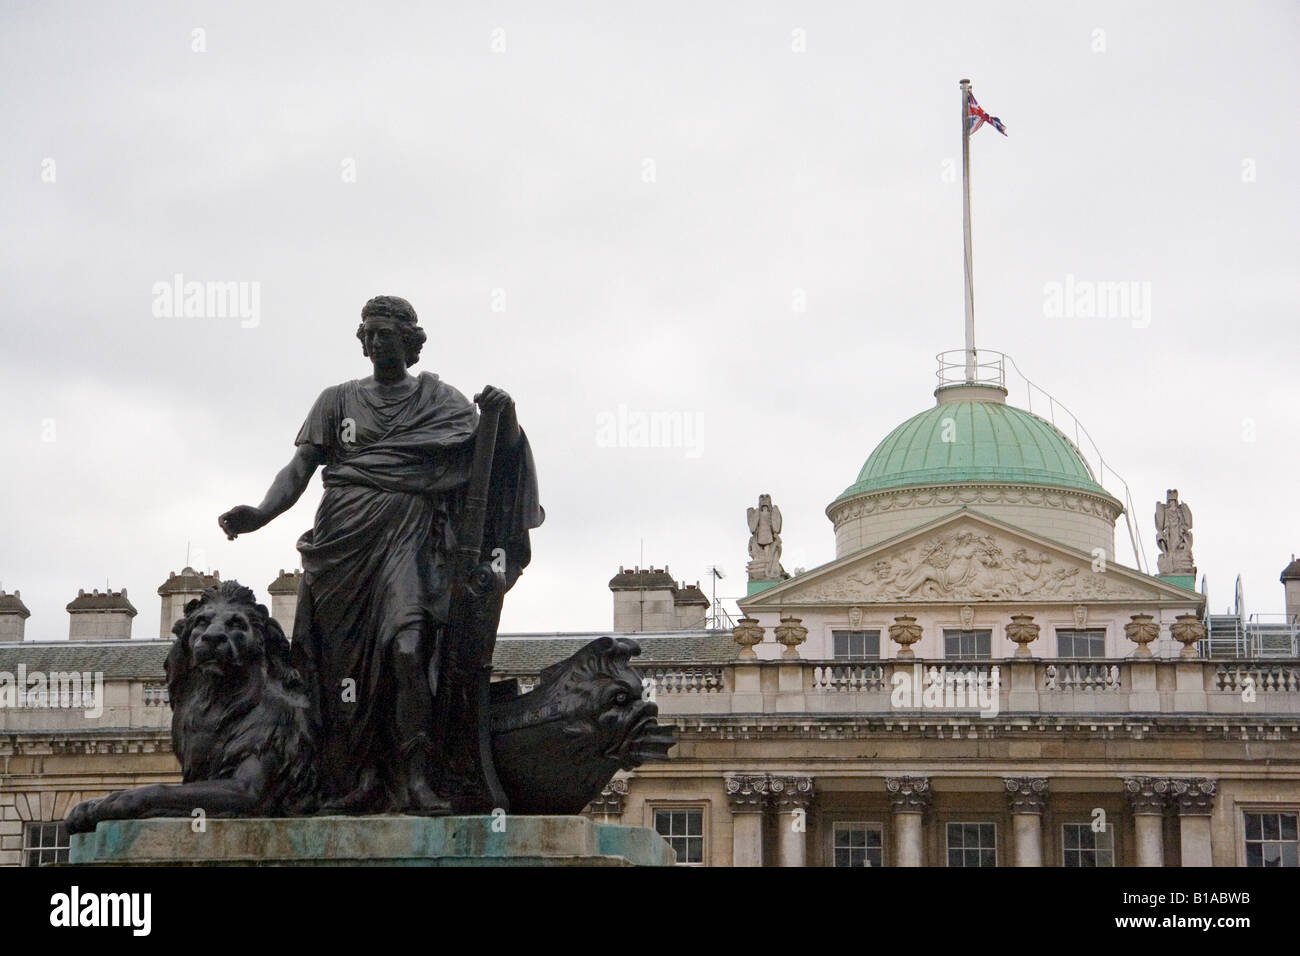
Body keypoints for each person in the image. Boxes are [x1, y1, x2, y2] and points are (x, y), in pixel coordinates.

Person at [218, 295, 543, 813]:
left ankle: (415, 776)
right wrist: (260, 514)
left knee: (408, 649)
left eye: (384, 334)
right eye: (367, 333)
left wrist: (507, 413)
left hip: (408, 540)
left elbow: (492, 447)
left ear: (409, 341)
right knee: (337, 670)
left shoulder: (439, 400)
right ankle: (356, 779)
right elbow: (300, 468)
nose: (373, 342)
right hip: (342, 543)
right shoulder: (336, 400)